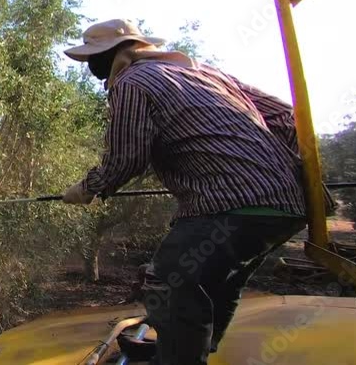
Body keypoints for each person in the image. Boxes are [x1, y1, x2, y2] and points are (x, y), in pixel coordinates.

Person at [59, 19, 327, 365]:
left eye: (93, 60)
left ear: (114, 54)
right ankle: (187, 352)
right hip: (286, 205)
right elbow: (285, 116)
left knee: (166, 280)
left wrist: (87, 189)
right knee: (218, 282)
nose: (93, 71)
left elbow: (128, 157)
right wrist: (277, 172)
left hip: (231, 204)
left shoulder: (131, 82)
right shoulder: (206, 73)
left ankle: (180, 358)